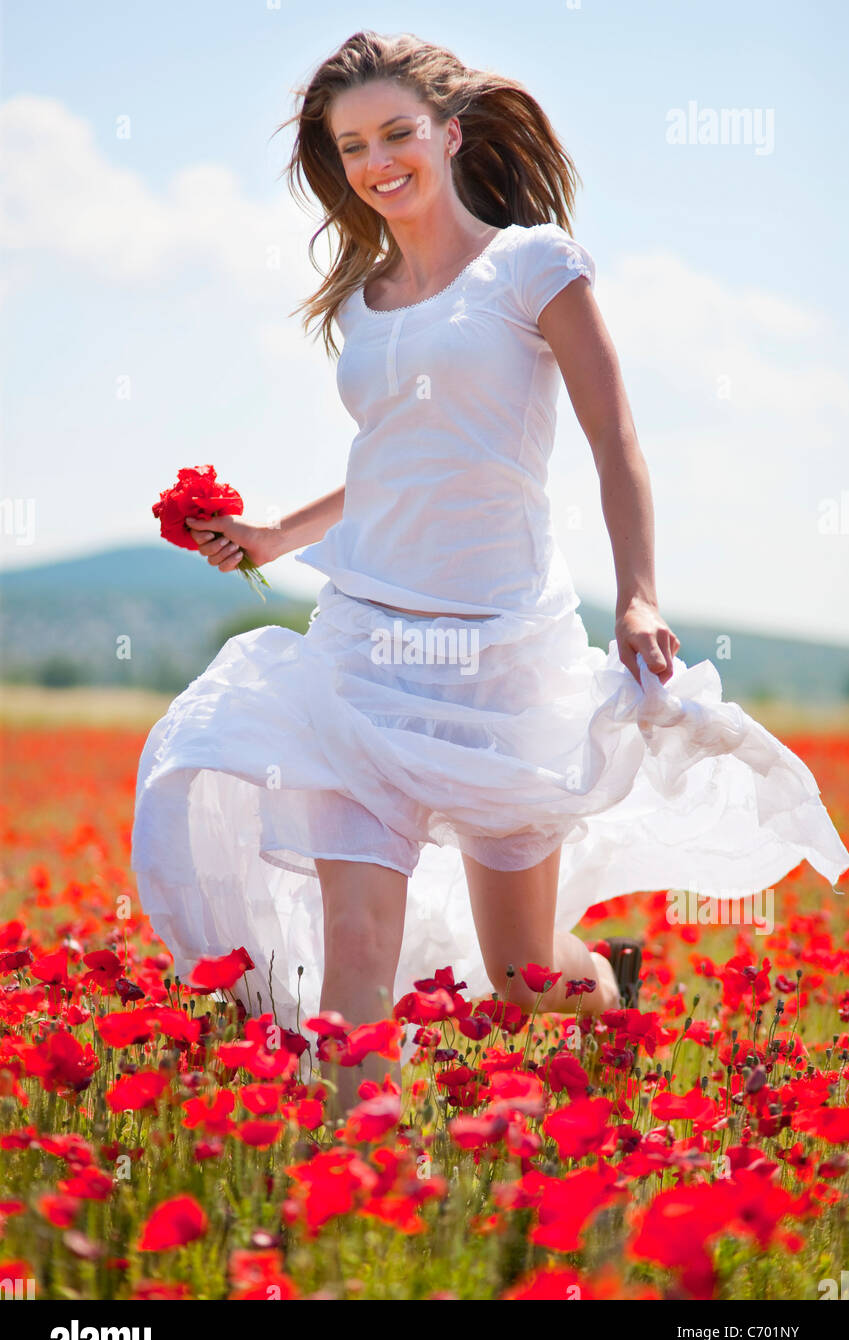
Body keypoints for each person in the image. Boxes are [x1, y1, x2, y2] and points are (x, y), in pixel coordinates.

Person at [131, 30, 849, 1119]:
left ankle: (610, 1009)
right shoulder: (365, 300)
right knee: (354, 962)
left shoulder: (534, 265)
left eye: (398, 134)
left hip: (502, 662)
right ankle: (360, 1199)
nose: (379, 162)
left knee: (524, 976)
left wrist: (642, 590)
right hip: (361, 651)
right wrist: (279, 533)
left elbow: (618, 446)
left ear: (450, 133)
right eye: (353, 144)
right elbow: (394, 461)